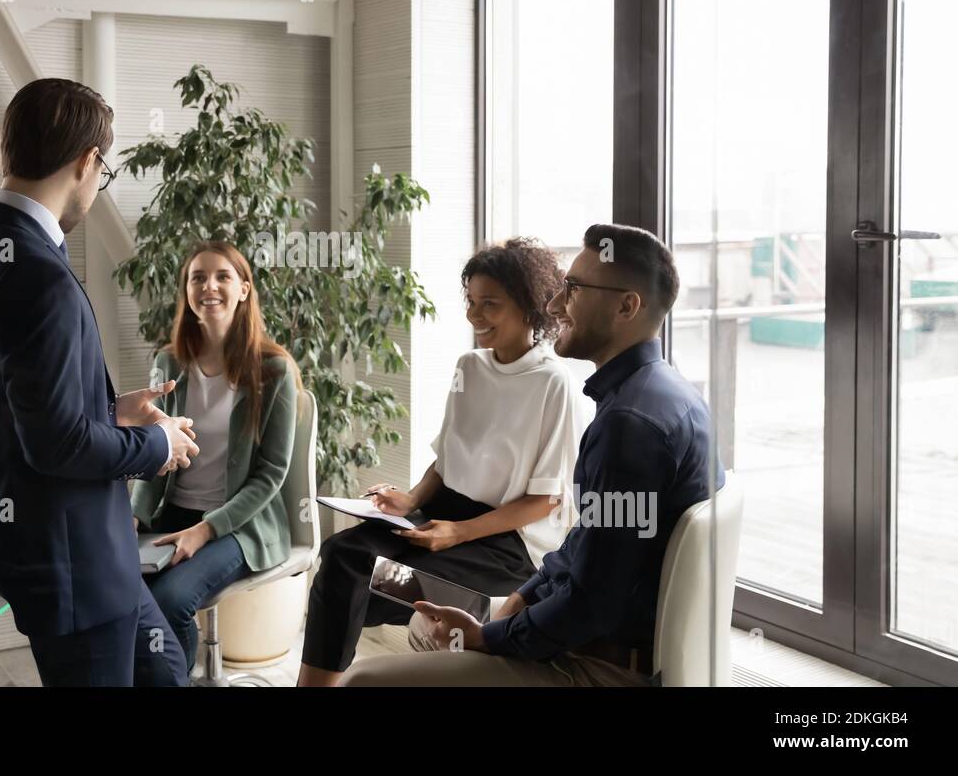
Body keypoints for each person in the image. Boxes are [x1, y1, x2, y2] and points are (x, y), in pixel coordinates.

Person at [340, 223, 726, 687]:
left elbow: (591, 603)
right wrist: (523, 599)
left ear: (627, 306)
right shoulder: (663, 396)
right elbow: (590, 546)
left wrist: (491, 637)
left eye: (574, 289)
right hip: (597, 644)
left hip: (599, 666)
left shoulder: (630, 426)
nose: (555, 304)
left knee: (364, 682)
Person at [0, 78, 199, 687]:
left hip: (44, 545)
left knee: (167, 672)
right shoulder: (38, 274)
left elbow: (12, 401)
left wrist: (111, 407)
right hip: (71, 561)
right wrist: (159, 447)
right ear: (87, 162)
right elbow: (57, 446)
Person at [297, 237, 588, 686]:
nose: (475, 315)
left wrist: (459, 532)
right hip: (441, 516)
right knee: (339, 555)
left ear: (529, 307)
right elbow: (445, 462)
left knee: (356, 580)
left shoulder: (554, 383)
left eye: (489, 304)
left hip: (505, 541)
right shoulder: (468, 367)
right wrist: (408, 499)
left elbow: (546, 501)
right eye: (471, 301)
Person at [131, 242, 300, 680]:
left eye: (223, 276)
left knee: (170, 601)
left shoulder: (273, 370)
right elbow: (155, 450)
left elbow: (271, 475)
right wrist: (132, 516)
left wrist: (206, 530)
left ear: (244, 289)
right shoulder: (168, 362)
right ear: (186, 291)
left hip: (238, 526)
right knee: (118, 587)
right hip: (172, 514)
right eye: (198, 277)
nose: (210, 286)